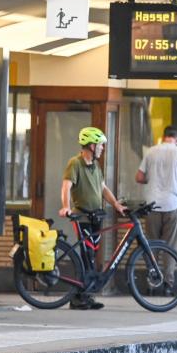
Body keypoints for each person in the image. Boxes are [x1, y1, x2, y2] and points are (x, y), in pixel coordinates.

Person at [61, 126, 126, 310]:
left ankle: (86, 295)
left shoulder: (95, 165)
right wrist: (66, 207)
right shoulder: (75, 163)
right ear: (91, 145)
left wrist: (116, 205)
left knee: (91, 256)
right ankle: (77, 298)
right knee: (86, 256)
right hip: (82, 216)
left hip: (96, 216)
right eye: (100, 145)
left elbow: (103, 188)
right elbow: (66, 186)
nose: (102, 148)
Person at [135, 125, 177, 253]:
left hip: (152, 205)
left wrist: (152, 179)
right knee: (170, 246)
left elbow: (139, 177)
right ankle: (168, 274)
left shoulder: (150, 152)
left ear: (163, 137)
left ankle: (152, 272)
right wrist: (176, 181)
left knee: (151, 244)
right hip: (173, 204)